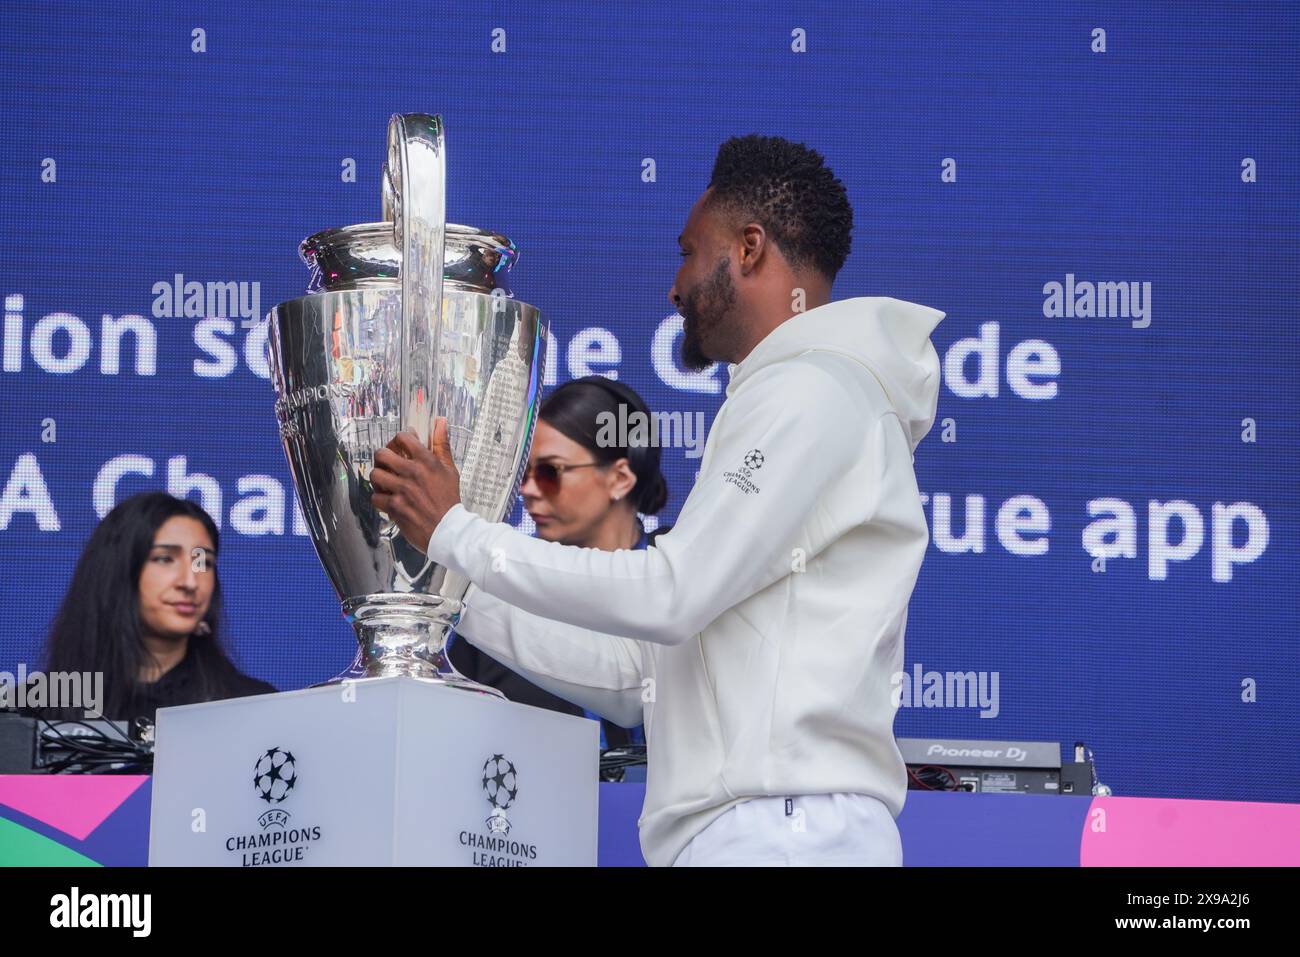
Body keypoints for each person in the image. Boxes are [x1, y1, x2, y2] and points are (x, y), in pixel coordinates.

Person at [371, 134, 944, 867]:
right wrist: (448, 582)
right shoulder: (802, 391)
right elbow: (631, 675)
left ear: (748, 247)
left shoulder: (814, 389)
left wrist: (457, 531)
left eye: (688, 250)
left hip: (784, 835)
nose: (675, 286)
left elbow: (670, 592)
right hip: (760, 833)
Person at [449, 374, 669, 749]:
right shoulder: (497, 596)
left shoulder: (684, 575)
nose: (529, 491)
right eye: (525, 474)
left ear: (619, 478)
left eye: (550, 473)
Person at [39, 491, 275, 723]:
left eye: (204, 562)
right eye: (164, 559)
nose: (190, 582)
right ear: (117, 572)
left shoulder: (251, 707)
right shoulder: (37, 708)